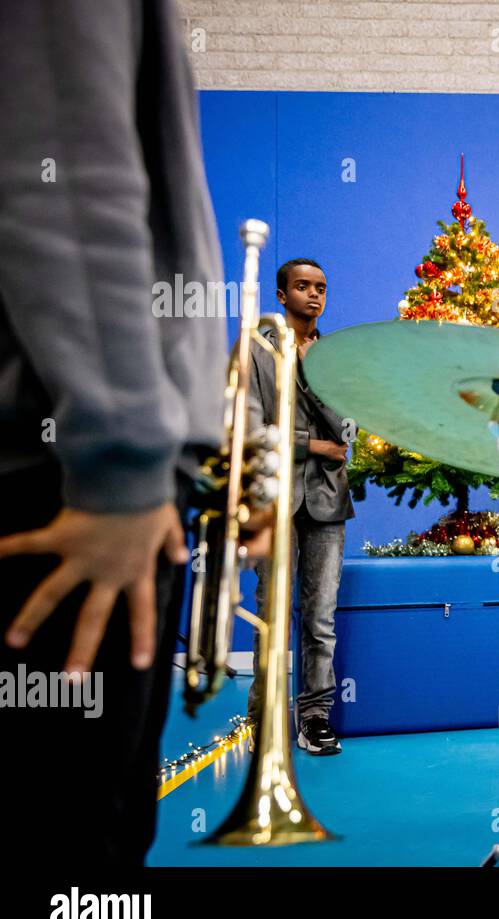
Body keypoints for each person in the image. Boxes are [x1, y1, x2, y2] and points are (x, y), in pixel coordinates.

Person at [0, 0, 228, 866]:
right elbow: (66, 166)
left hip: (77, 462)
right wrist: (129, 458)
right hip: (67, 479)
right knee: (80, 845)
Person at [245, 259, 355, 756]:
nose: (314, 296)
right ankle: (263, 714)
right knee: (273, 612)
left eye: (321, 289)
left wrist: (315, 371)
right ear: (282, 292)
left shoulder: (336, 355)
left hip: (328, 501)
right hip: (275, 498)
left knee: (321, 617)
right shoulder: (256, 349)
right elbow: (253, 431)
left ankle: (314, 717)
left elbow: (350, 430)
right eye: (303, 287)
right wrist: (315, 446)